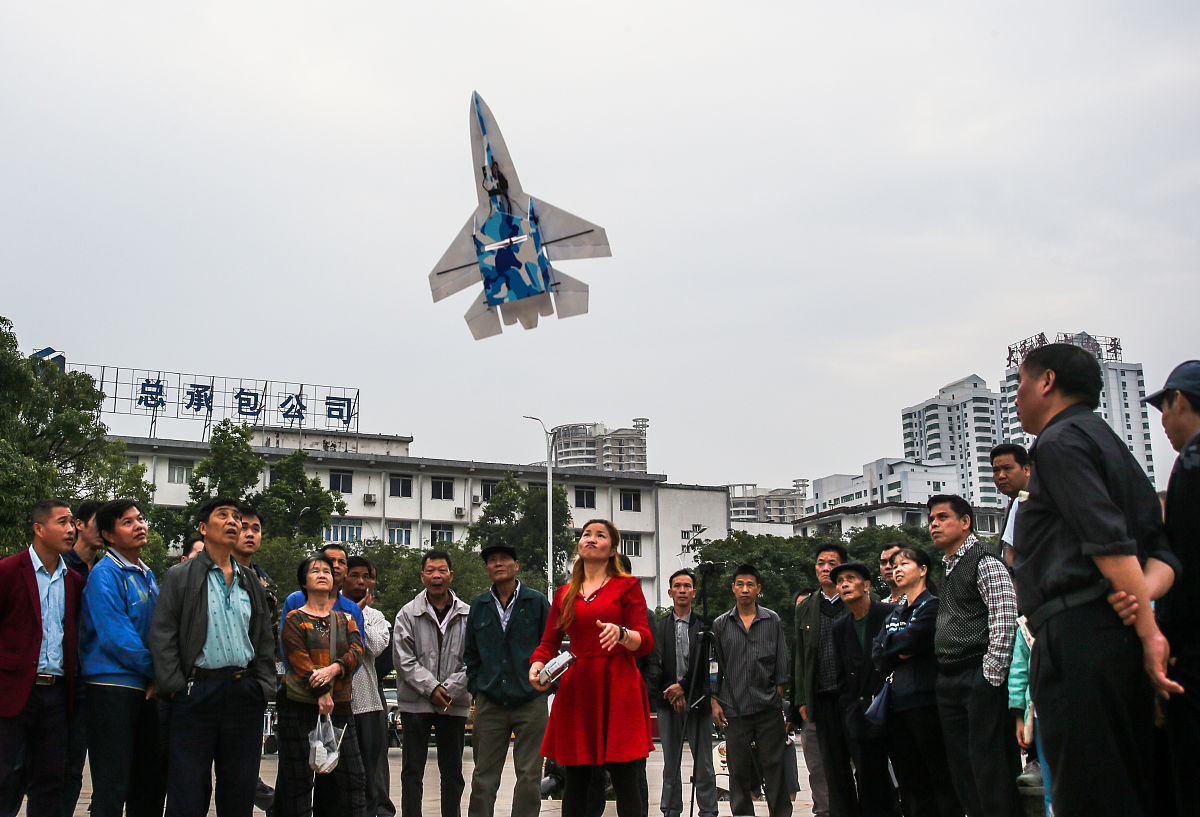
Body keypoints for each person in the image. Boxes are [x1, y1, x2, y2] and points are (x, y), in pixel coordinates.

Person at [1014, 343, 1181, 815]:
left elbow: (1106, 540)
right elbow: (1162, 552)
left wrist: (1149, 633)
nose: (1018, 396)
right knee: (1127, 783)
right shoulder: (1110, 443)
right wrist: (1139, 598)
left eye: (1021, 383)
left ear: (1047, 382)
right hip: (1113, 629)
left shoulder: (1058, 443)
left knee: (1088, 790)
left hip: (1079, 639)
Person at [149, 496, 276, 817]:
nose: (234, 522)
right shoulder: (182, 576)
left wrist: (262, 687)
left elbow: (263, 639)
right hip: (196, 693)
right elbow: (162, 635)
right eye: (224, 516)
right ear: (203, 528)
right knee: (188, 790)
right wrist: (176, 686)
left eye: (237, 518)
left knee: (239, 788)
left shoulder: (252, 583)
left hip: (243, 693)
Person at [529, 519, 654, 817]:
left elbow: (645, 640)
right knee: (577, 777)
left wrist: (622, 634)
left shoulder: (628, 586)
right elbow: (549, 642)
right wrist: (537, 665)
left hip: (618, 683)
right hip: (579, 687)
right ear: (579, 545)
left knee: (625, 777)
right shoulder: (565, 593)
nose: (591, 539)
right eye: (586, 535)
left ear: (612, 549)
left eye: (600, 535)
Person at [927, 494, 1020, 817]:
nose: (934, 525)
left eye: (942, 518)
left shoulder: (984, 561)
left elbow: (1005, 617)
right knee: (962, 768)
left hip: (978, 674)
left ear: (965, 522)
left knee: (989, 765)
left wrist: (989, 675)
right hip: (950, 677)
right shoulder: (948, 566)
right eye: (931, 520)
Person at [80, 499, 166, 817]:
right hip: (111, 685)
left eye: (140, 519)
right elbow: (117, 636)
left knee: (149, 781)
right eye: (127, 522)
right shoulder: (105, 574)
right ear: (108, 535)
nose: (139, 525)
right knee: (112, 782)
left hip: (146, 687)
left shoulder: (147, 573)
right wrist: (156, 671)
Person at [0, 499, 84, 817]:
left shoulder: (73, 581)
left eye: (72, 522)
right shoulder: (8, 571)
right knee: (5, 776)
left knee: (49, 779)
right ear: (39, 528)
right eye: (62, 522)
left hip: (55, 694)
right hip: (12, 691)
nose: (70, 529)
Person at [1145, 360, 1200, 816]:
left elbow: (1184, 562)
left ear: (1178, 400)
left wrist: (1167, 637)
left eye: (1163, 409)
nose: (1162, 423)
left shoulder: (1192, 462)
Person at [463, 541, 551, 817]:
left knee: (529, 775)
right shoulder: (479, 605)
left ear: (516, 565)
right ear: (487, 569)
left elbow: (550, 644)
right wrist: (477, 686)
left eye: (504, 559)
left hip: (530, 701)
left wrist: (546, 685)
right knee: (483, 776)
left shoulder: (536, 601)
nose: (498, 563)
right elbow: (471, 654)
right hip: (490, 703)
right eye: (492, 560)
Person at [276, 553, 366, 817]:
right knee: (298, 782)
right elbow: (298, 659)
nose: (323, 574)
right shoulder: (294, 618)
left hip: (339, 708)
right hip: (300, 707)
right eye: (315, 571)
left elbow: (356, 651)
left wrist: (334, 668)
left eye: (327, 570)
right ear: (304, 582)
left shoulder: (345, 618)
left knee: (354, 779)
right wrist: (322, 692)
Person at [872, 547, 959, 817]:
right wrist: (896, 650)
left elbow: (915, 639)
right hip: (898, 705)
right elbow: (877, 653)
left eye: (904, 564)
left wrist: (894, 647)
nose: (897, 569)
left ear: (923, 569)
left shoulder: (932, 605)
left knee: (937, 775)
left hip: (926, 701)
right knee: (910, 781)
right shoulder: (894, 613)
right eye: (894, 565)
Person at [392, 550, 471, 817]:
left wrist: (448, 689)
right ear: (422, 575)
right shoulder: (407, 614)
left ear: (451, 575)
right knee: (412, 771)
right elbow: (403, 660)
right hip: (415, 704)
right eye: (430, 571)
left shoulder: (468, 615)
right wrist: (431, 688)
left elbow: (474, 660)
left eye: (442, 570)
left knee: (453, 772)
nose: (436, 576)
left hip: (454, 704)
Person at [711, 564, 791, 817]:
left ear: (758, 589)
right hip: (734, 708)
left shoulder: (772, 619)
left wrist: (778, 700)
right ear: (733, 588)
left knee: (775, 768)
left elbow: (781, 663)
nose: (745, 590)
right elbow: (714, 666)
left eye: (750, 585)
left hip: (768, 706)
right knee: (739, 771)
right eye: (740, 584)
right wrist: (714, 700)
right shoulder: (721, 624)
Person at [643, 569, 718, 817]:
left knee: (704, 763)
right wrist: (670, 690)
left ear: (694, 592)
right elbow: (654, 663)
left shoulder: (706, 626)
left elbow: (708, 665)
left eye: (687, 586)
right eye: (678, 586)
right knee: (671, 763)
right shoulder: (660, 626)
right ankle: (671, 809)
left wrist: (684, 688)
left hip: (698, 701)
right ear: (670, 592)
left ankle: (708, 810)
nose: (682, 590)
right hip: (667, 702)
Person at [829, 562, 898, 817]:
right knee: (870, 785)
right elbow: (842, 675)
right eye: (840, 581)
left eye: (850, 579)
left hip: (893, 710)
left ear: (867, 585)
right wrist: (850, 711)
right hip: (861, 716)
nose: (844, 584)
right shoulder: (840, 627)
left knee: (907, 780)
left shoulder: (889, 614)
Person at [792, 543, 856, 817]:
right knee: (820, 766)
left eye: (832, 563)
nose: (826, 568)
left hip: (852, 697)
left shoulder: (859, 600)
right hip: (819, 699)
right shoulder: (806, 607)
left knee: (858, 762)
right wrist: (801, 700)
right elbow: (798, 657)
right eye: (821, 563)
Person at [232, 504, 279, 814]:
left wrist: (264, 683)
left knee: (243, 761)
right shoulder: (212, 573)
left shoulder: (265, 583)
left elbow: (270, 638)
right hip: (211, 680)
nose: (249, 534)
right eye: (244, 526)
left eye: (256, 529)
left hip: (250, 684)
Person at [343, 556, 392, 817]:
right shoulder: (327, 608)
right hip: (336, 704)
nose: (362, 582)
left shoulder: (375, 616)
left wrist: (357, 613)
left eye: (367, 576)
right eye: (355, 575)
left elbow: (373, 646)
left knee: (371, 772)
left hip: (368, 704)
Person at [280, 544, 365, 669]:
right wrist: (311, 678)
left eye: (341, 562)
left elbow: (357, 653)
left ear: (346, 571)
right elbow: (286, 648)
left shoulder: (352, 611)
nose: (336, 566)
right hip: (301, 682)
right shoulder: (295, 601)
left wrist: (336, 674)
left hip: (339, 683)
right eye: (330, 561)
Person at [990, 443, 1031, 566]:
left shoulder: (1038, 500)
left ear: (1026, 470)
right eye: (996, 470)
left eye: (1007, 468)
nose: (1001, 476)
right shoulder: (1015, 503)